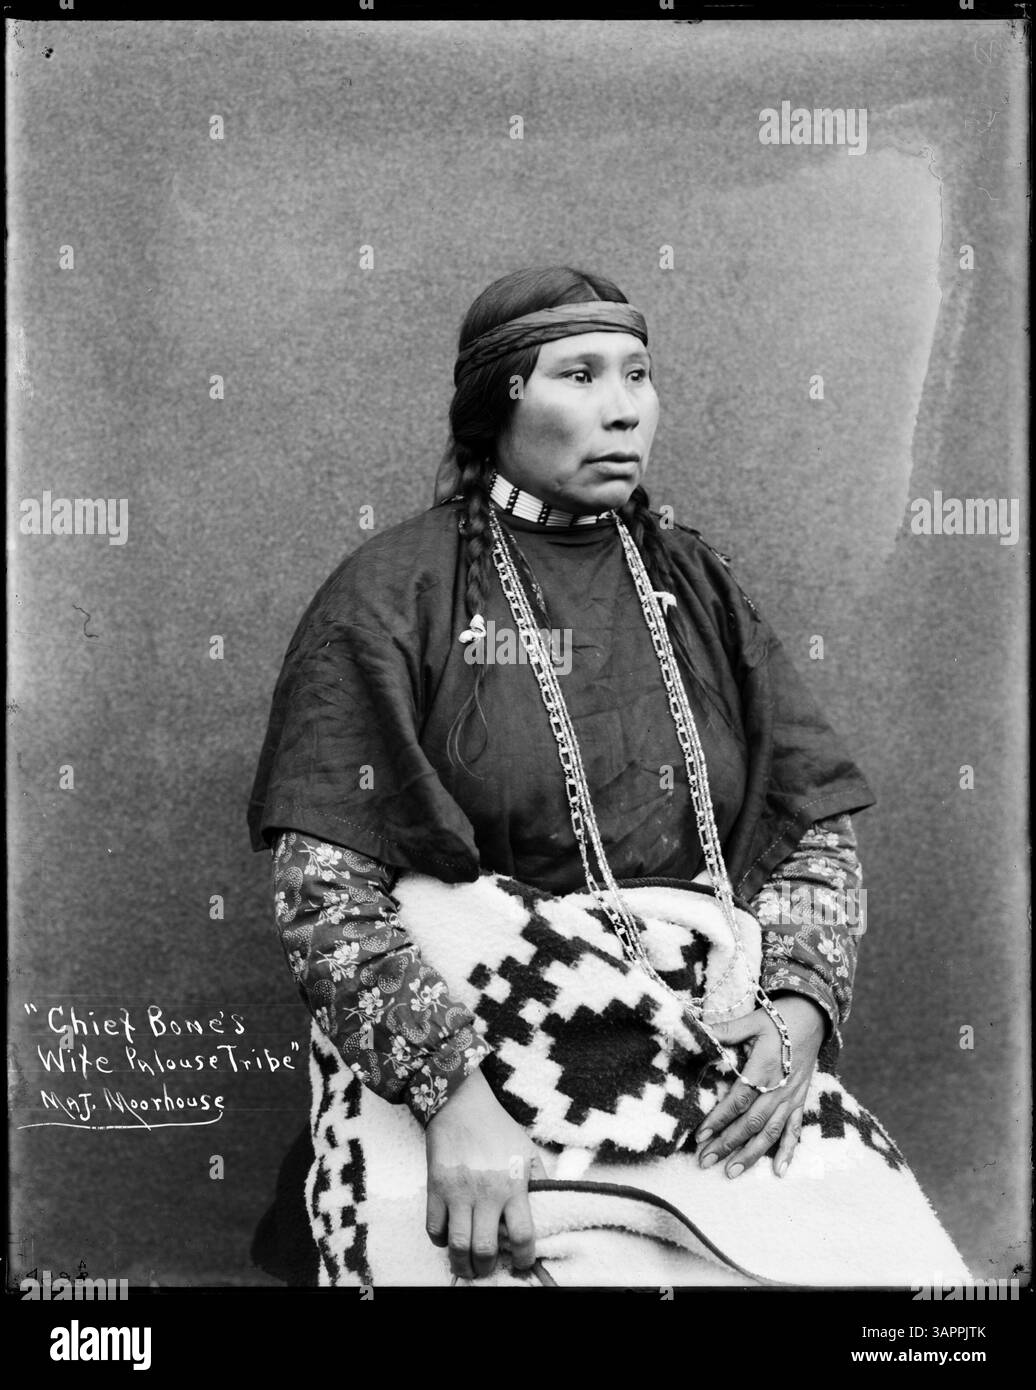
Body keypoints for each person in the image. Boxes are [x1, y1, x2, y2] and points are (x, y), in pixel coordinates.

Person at [247, 265, 878, 1285]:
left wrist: (796, 1019)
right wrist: (453, 1098)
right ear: (496, 404)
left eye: (637, 373)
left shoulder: (696, 585)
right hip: (475, 1093)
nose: (621, 407)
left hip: (698, 1080)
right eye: (577, 375)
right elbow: (324, 892)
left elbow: (813, 830)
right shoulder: (388, 597)